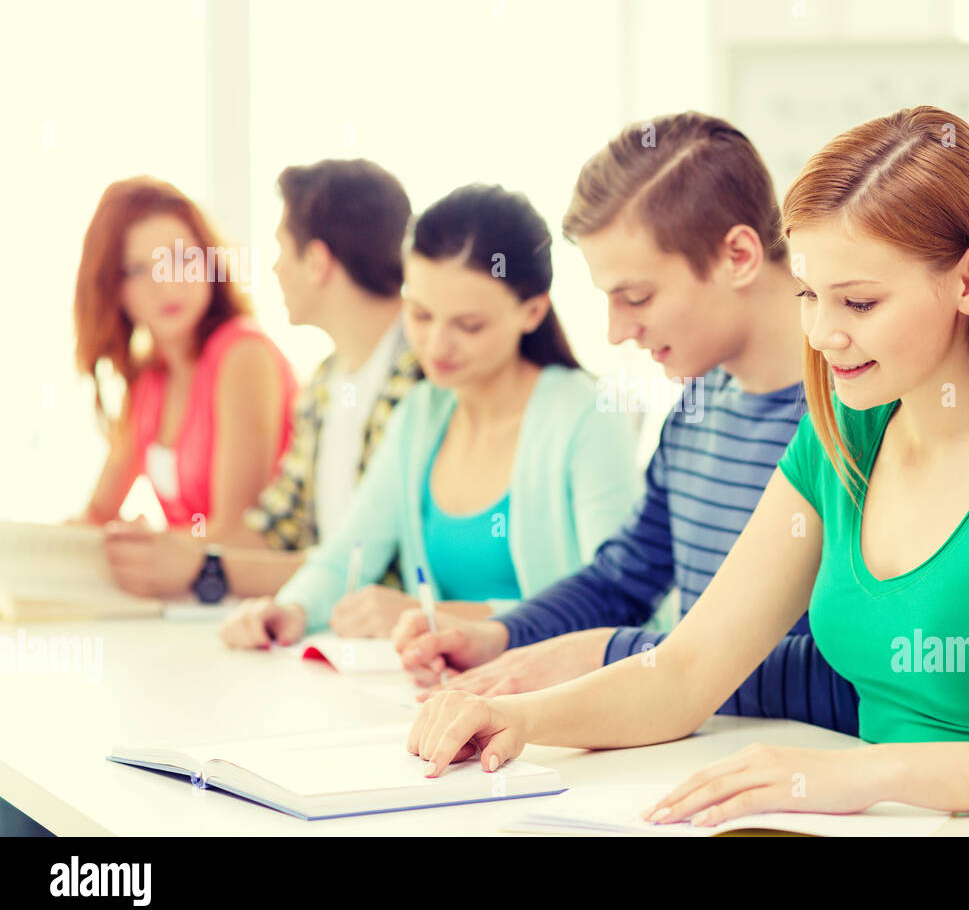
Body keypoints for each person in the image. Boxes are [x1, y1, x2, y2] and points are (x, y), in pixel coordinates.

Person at [406, 107, 969, 826]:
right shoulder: (840, 441)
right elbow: (687, 669)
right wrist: (523, 718)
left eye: (858, 303)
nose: (823, 335)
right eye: (811, 298)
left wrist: (875, 771)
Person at [394, 111, 861, 735]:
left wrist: (606, 655)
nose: (617, 331)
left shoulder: (858, 415)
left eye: (636, 298)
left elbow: (858, 673)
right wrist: (501, 635)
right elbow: (625, 576)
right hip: (699, 759)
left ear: (739, 255)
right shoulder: (698, 406)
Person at [219, 183, 642, 647]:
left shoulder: (588, 418)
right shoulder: (420, 415)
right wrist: (290, 609)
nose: (437, 346)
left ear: (533, 311)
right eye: (420, 315)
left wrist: (434, 615)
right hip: (455, 692)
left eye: (468, 325)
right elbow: (346, 557)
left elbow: (613, 602)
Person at [103, 159, 423, 607]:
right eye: (138, 270)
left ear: (316, 262)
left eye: (281, 249)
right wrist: (167, 554)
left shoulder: (428, 377)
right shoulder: (325, 385)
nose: (273, 269)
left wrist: (203, 567)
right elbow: (277, 530)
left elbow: (377, 572)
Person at [72, 176, 296, 544]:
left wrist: (152, 544)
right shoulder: (149, 381)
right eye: (136, 269)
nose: (167, 284)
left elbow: (237, 534)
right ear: (111, 287)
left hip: (258, 595)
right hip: (194, 598)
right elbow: (96, 514)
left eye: (180, 258)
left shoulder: (243, 354)